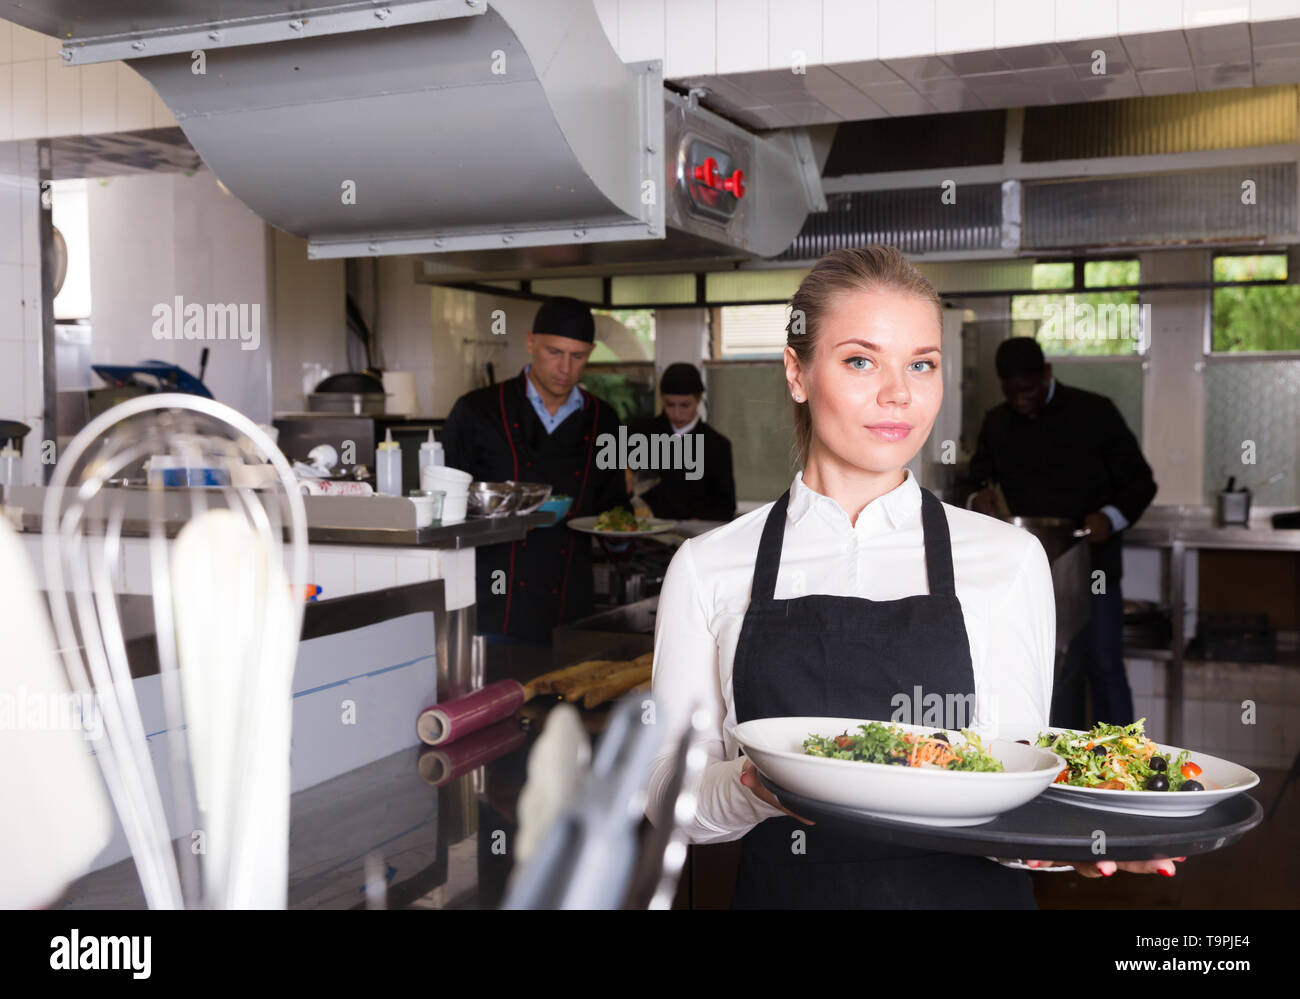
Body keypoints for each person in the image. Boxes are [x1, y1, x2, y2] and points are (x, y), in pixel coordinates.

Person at [645, 246, 1181, 910]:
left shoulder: (1006, 560)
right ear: (797, 372)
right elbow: (667, 794)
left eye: (921, 364)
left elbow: (1007, 783)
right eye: (861, 360)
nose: (898, 392)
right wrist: (758, 785)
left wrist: (1080, 836)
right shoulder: (708, 567)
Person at [967, 337, 1158, 730]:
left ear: (1047, 374)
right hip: (1027, 572)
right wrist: (977, 497)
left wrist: (1111, 516)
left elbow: (1140, 482)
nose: (1021, 400)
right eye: (1012, 392)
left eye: (1029, 390)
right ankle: (1051, 766)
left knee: (1102, 664)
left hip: (1092, 567)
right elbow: (977, 478)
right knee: (1043, 673)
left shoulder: (1094, 412)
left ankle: (1123, 759)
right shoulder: (997, 422)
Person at [442, 296, 629, 645]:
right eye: (554, 352)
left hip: (570, 606)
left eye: (578, 357)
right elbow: (445, 508)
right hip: (493, 602)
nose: (565, 368)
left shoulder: (605, 420)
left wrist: (622, 535)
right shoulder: (477, 411)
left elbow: (614, 506)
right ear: (530, 343)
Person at [630, 362, 736, 523]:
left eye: (685, 405)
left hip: (691, 538)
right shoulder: (640, 434)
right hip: (644, 535)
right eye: (669, 405)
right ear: (662, 400)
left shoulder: (717, 446)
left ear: (699, 399)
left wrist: (701, 520)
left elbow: (726, 506)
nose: (677, 413)